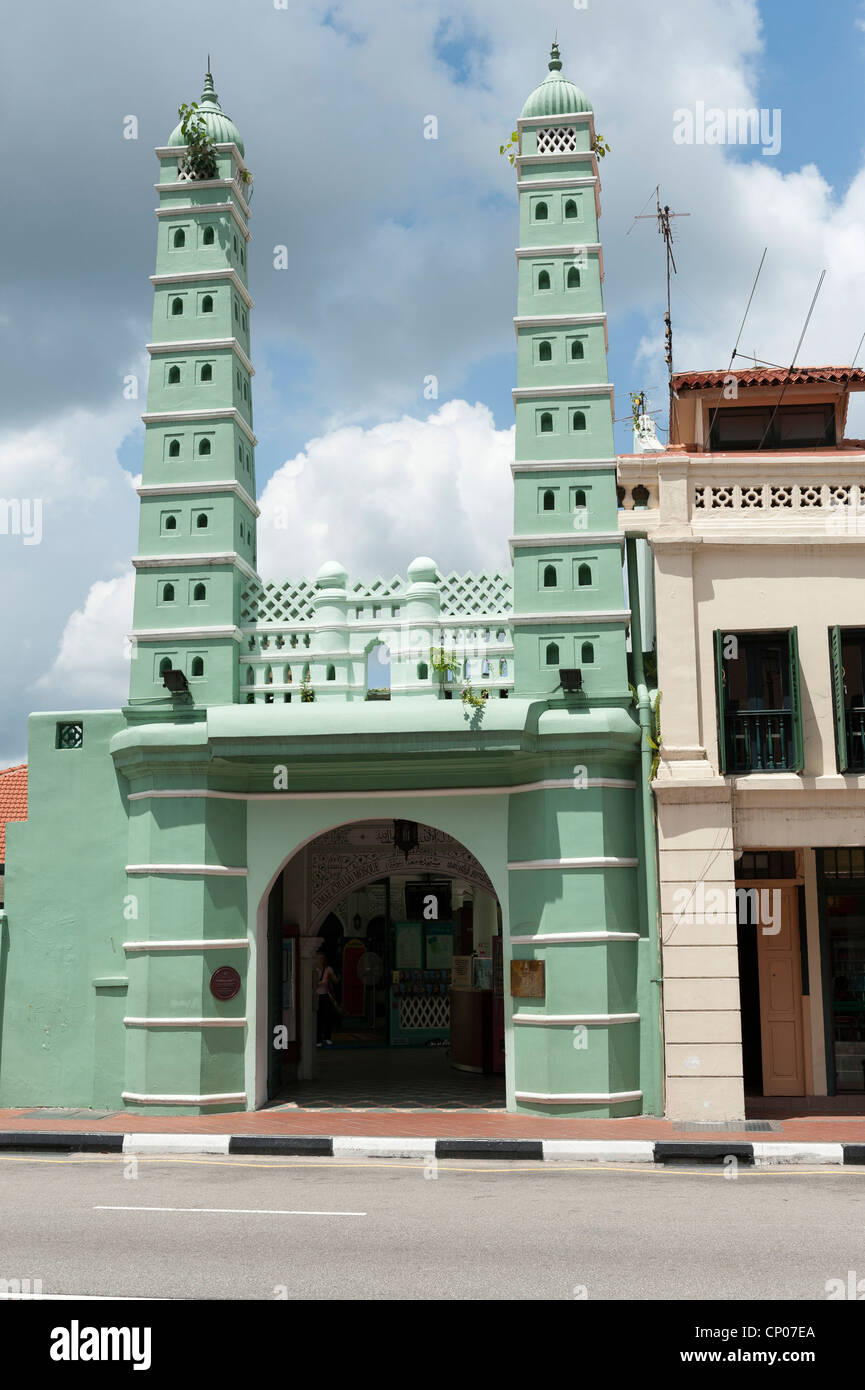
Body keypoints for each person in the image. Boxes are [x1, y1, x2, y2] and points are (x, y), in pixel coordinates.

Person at [314, 949, 339, 1046]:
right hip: (316, 995)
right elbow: (311, 983)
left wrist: (333, 977)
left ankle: (328, 1037)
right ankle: (318, 1039)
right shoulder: (313, 969)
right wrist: (321, 982)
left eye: (322, 958)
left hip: (326, 995)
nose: (320, 960)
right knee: (318, 1018)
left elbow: (335, 981)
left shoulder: (328, 969)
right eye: (318, 958)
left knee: (328, 1017)